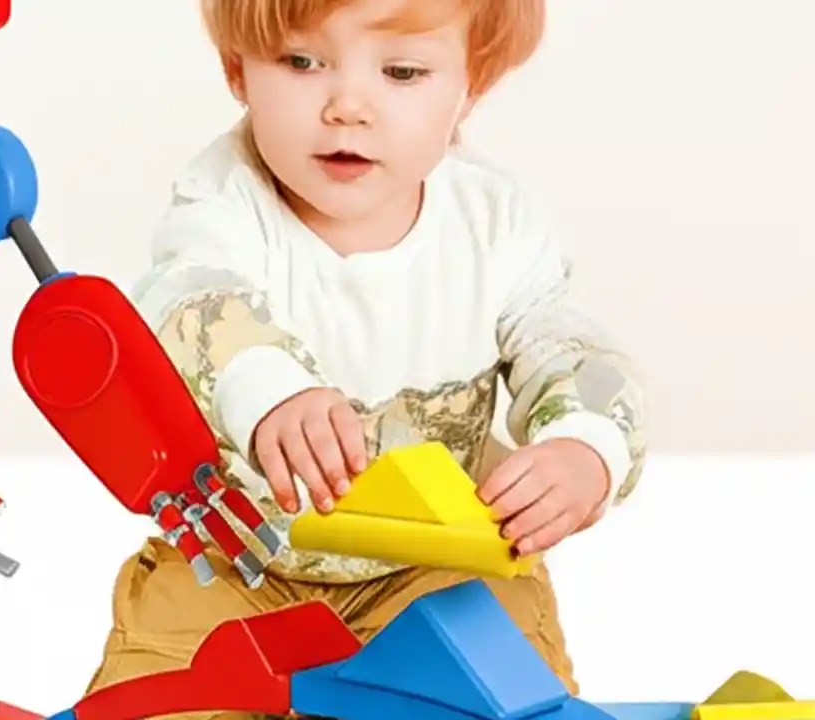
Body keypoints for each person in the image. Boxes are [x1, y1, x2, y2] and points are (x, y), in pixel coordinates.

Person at [83, 0, 647, 716]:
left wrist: (585, 447)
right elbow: (191, 306)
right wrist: (271, 390)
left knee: (505, 696)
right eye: (301, 63)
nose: (347, 106)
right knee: (159, 701)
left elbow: (569, 346)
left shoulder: (493, 224)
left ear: (470, 85)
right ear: (238, 71)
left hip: (440, 567)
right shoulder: (221, 203)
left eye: (402, 72)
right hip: (232, 561)